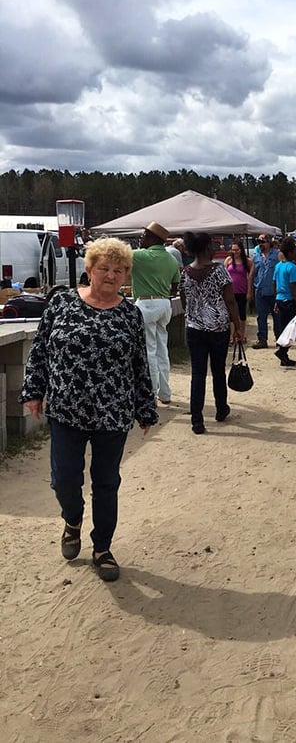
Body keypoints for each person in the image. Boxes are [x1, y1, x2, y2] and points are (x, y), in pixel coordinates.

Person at [19, 237, 158, 582]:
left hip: (113, 413)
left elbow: (139, 364)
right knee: (63, 480)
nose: (111, 275)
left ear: (126, 274)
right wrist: (34, 390)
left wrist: (145, 409)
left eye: (118, 270)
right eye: (104, 268)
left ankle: (102, 548)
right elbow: (40, 351)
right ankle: (73, 519)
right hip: (66, 409)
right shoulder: (62, 303)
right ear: (89, 269)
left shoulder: (130, 314)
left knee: (106, 482)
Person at [179, 232, 245, 434]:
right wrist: (238, 327)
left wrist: (194, 315)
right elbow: (230, 300)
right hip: (218, 328)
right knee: (218, 370)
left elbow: (184, 300)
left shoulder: (186, 272)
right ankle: (221, 409)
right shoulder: (219, 271)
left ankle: (197, 420)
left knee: (197, 375)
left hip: (194, 328)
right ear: (208, 247)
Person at [131, 221, 180, 405]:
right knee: (162, 350)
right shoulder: (172, 259)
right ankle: (165, 393)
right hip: (164, 303)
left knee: (149, 351)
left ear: (152, 238)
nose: (141, 239)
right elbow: (175, 285)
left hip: (146, 304)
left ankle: (150, 393)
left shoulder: (140, 255)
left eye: (144, 236)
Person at [273, 237, 296, 367]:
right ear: (290, 253)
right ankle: (282, 351)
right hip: (289, 301)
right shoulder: (292, 268)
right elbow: (293, 288)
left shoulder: (278, 266)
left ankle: (284, 356)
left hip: (280, 299)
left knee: (285, 329)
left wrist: (276, 300)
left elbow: (274, 283)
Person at [247, 233, 279, 349]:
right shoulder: (256, 257)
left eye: (263, 242)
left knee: (277, 316)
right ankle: (262, 339)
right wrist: (249, 291)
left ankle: (279, 339)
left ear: (269, 242)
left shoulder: (277, 255)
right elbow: (251, 275)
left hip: (274, 291)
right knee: (261, 316)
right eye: (258, 242)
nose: (260, 244)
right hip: (260, 291)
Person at [225, 240, 252, 337]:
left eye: (237, 250)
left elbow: (250, 277)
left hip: (242, 291)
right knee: (231, 313)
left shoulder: (247, 262)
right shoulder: (228, 260)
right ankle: (232, 335)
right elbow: (224, 276)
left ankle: (242, 334)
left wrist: (249, 291)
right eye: (233, 250)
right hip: (230, 291)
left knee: (242, 313)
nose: (235, 252)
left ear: (241, 250)